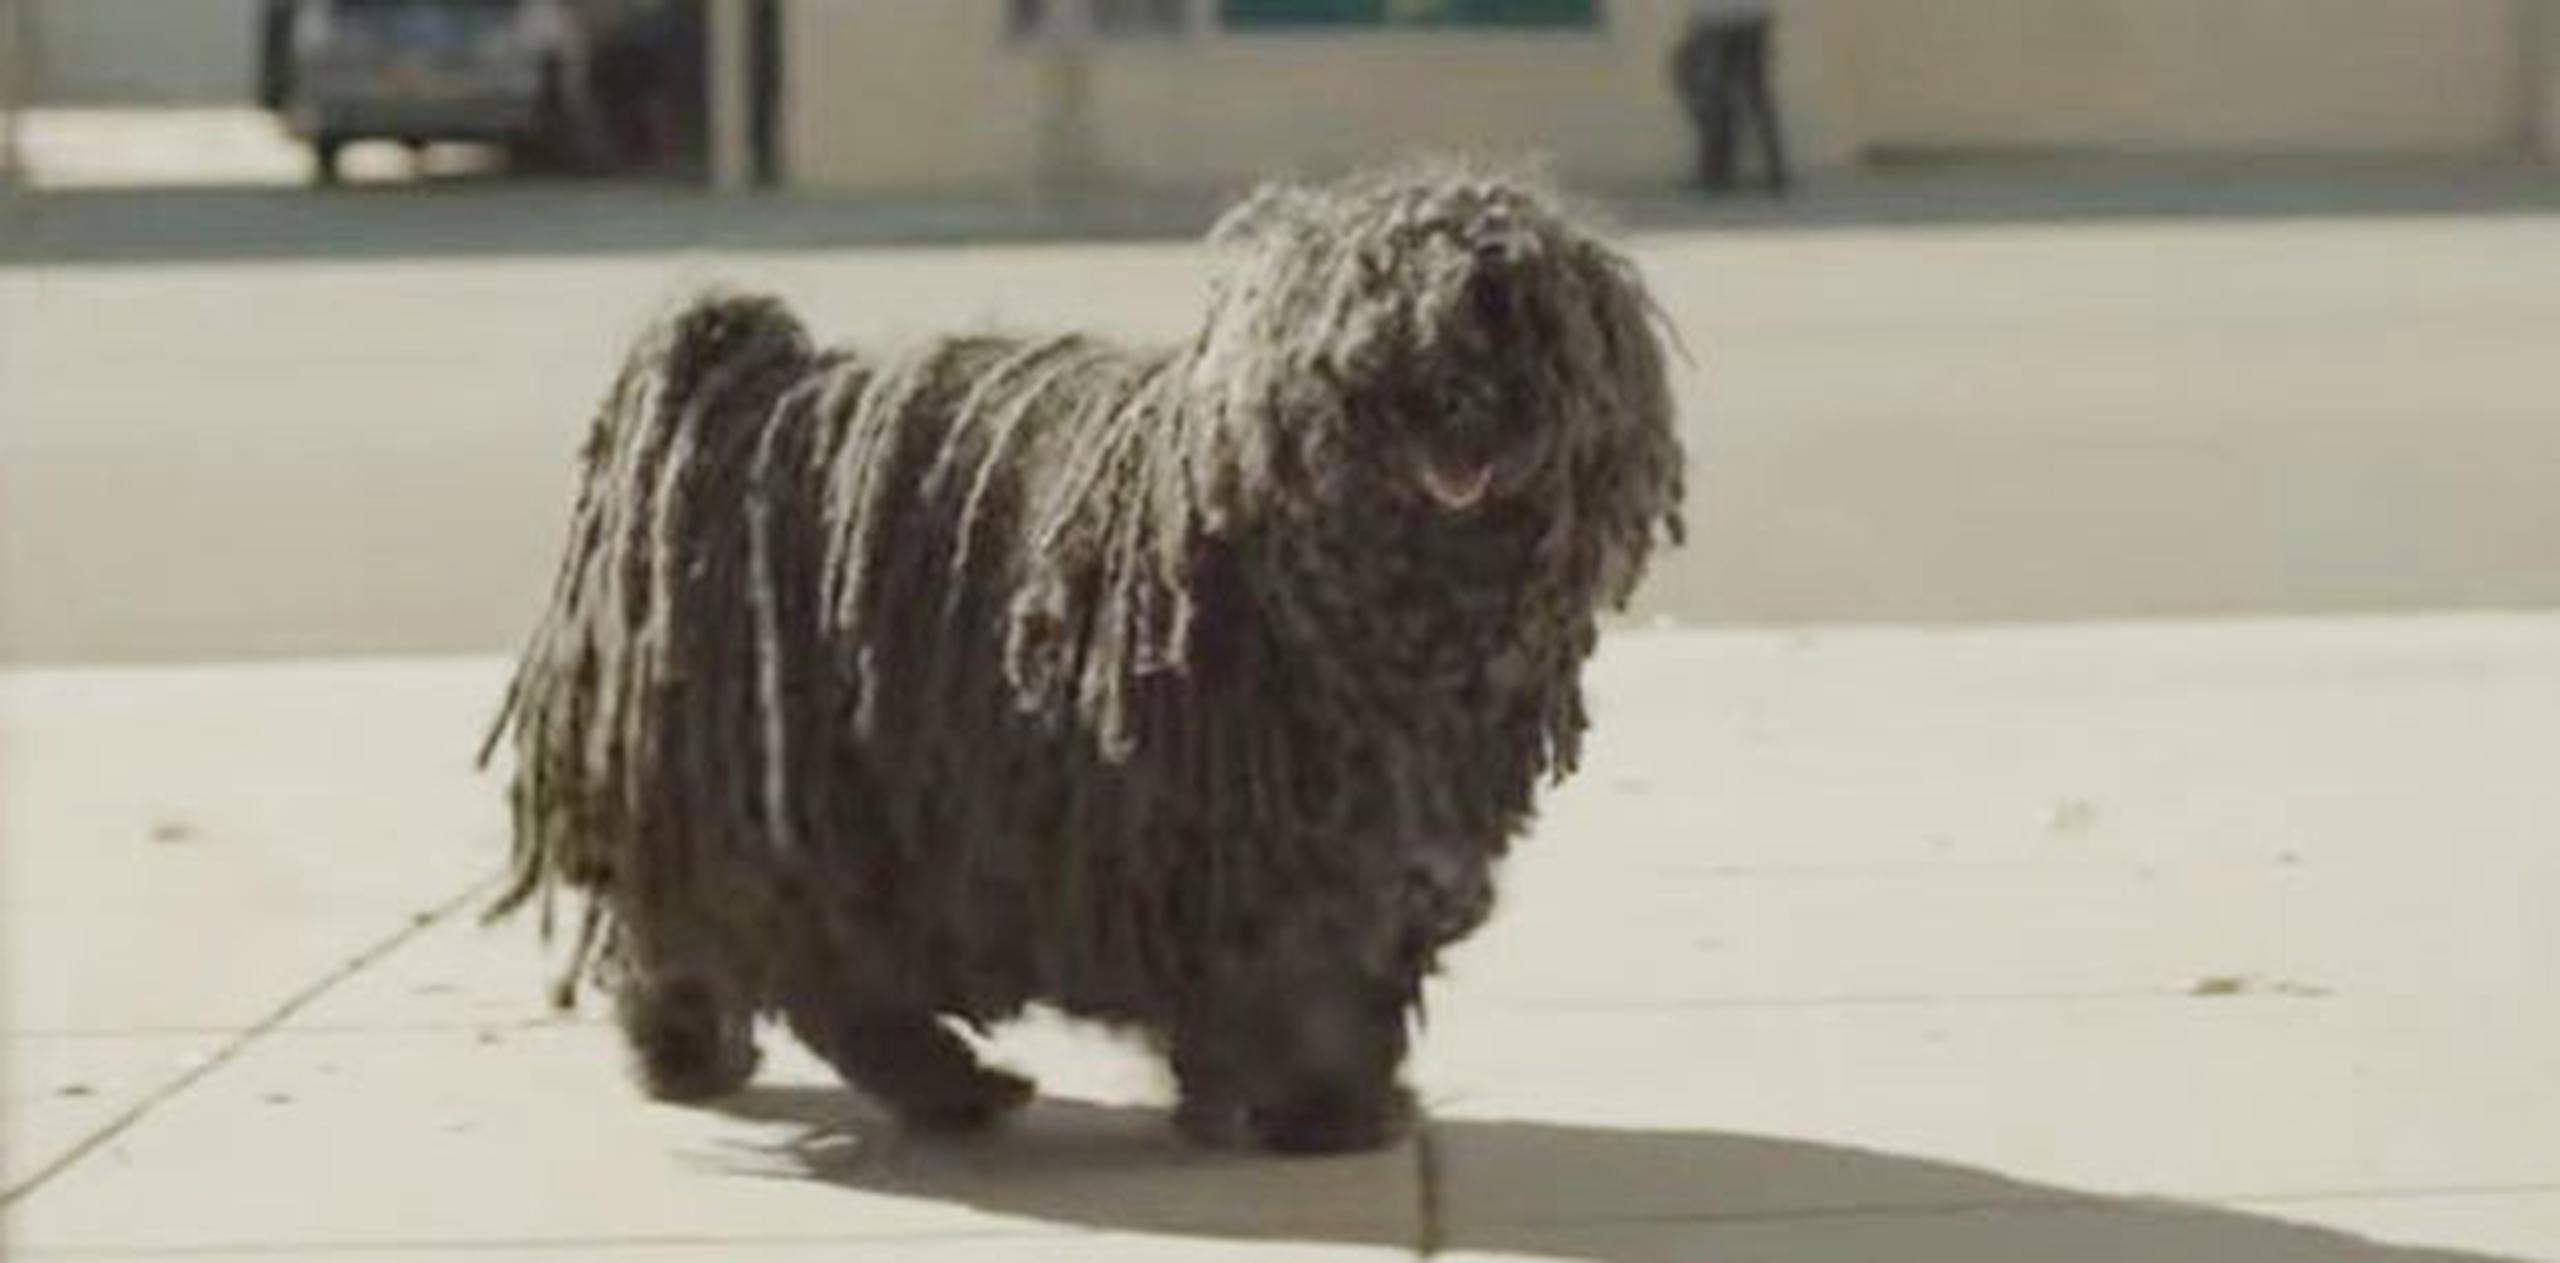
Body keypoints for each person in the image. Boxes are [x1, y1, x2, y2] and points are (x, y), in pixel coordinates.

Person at [1669, 0, 1790, 195]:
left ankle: (1715, 174)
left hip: (1716, 18)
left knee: (1714, 97)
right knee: (1754, 96)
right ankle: (1775, 171)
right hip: (1751, 16)